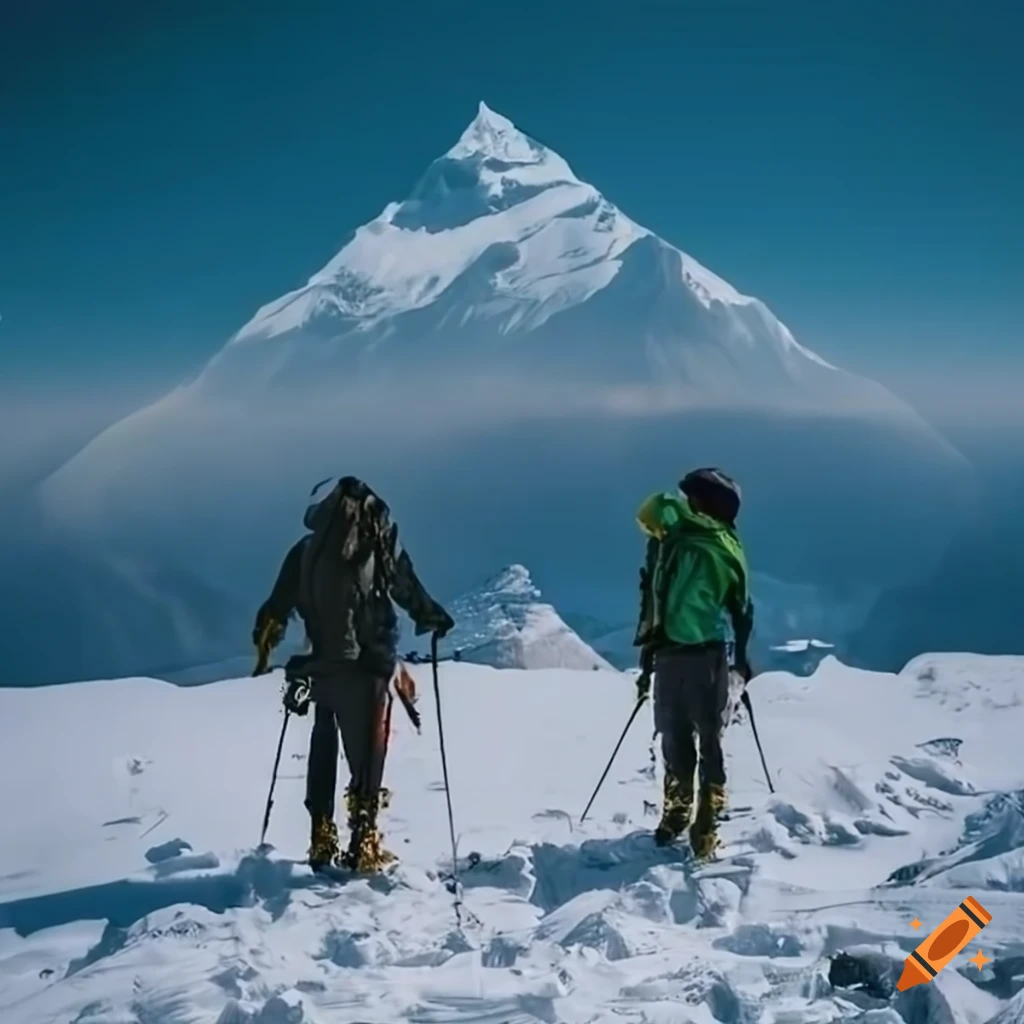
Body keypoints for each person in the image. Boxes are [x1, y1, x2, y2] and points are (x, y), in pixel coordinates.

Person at [253, 475, 454, 873]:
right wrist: (433, 618)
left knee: (322, 743)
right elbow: (407, 588)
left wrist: (267, 644)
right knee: (366, 755)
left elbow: (276, 607)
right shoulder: (376, 542)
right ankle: (363, 844)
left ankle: (320, 836)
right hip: (367, 668)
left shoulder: (305, 550)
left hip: (320, 665)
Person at [633, 467, 754, 859]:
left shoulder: (673, 534)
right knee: (710, 738)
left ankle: (677, 812)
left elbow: (650, 510)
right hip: (710, 655)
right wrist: (743, 659)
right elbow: (741, 608)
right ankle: (706, 823)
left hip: (670, 653)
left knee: (674, 734)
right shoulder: (728, 546)